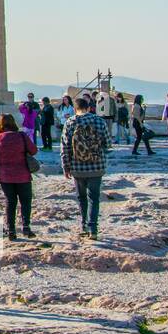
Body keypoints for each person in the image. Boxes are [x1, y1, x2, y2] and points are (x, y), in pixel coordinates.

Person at [61, 95, 112, 239]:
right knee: (94, 198)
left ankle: (83, 225)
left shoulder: (70, 122)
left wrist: (66, 166)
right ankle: (93, 229)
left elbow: (65, 148)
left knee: (81, 197)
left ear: (74, 109)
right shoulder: (99, 121)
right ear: (89, 108)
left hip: (77, 167)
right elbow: (108, 143)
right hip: (97, 166)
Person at [0, 113, 37, 240]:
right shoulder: (22, 136)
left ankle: (11, 230)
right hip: (23, 175)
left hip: (5, 176)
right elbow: (34, 150)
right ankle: (26, 227)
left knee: (10, 202)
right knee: (25, 202)